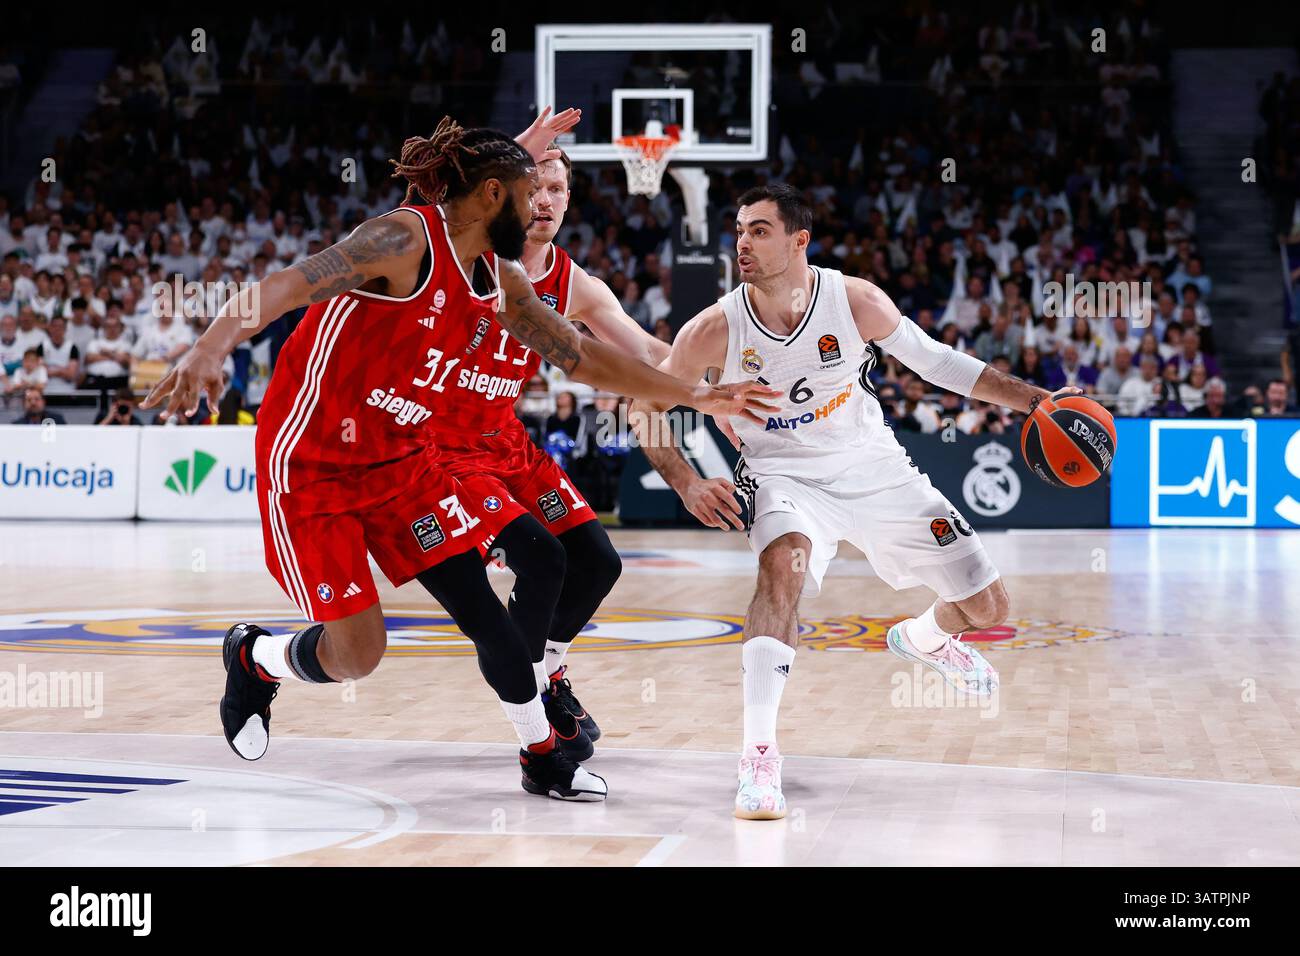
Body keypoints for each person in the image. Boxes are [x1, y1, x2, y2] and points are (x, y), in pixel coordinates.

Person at [142, 110, 774, 803]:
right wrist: (210, 346)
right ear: (493, 197)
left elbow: (587, 357)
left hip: (407, 462)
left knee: (491, 605)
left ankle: (542, 755)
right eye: (530, 191)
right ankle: (255, 658)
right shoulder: (400, 239)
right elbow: (288, 286)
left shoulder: (503, 283)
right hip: (313, 464)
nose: (542, 208)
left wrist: (694, 394)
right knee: (358, 655)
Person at [630, 184, 1078, 820]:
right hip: (783, 474)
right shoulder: (714, 328)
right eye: (740, 230)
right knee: (780, 568)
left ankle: (924, 638)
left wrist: (1034, 398)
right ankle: (759, 757)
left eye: (760, 230)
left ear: (799, 240)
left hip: (876, 469)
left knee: (988, 605)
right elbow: (644, 405)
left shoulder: (854, 300)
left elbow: (940, 364)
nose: (744, 242)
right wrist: (685, 481)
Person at [429, 146, 675, 749]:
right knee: (543, 561)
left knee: (599, 562)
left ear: (569, 201)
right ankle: (532, 710)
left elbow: (646, 351)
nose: (543, 200)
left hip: (507, 442)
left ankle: (547, 669)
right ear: (504, 191)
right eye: (532, 186)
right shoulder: (470, 256)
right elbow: (450, 200)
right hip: (441, 449)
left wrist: (717, 388)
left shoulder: (576, 283)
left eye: (557, 190)